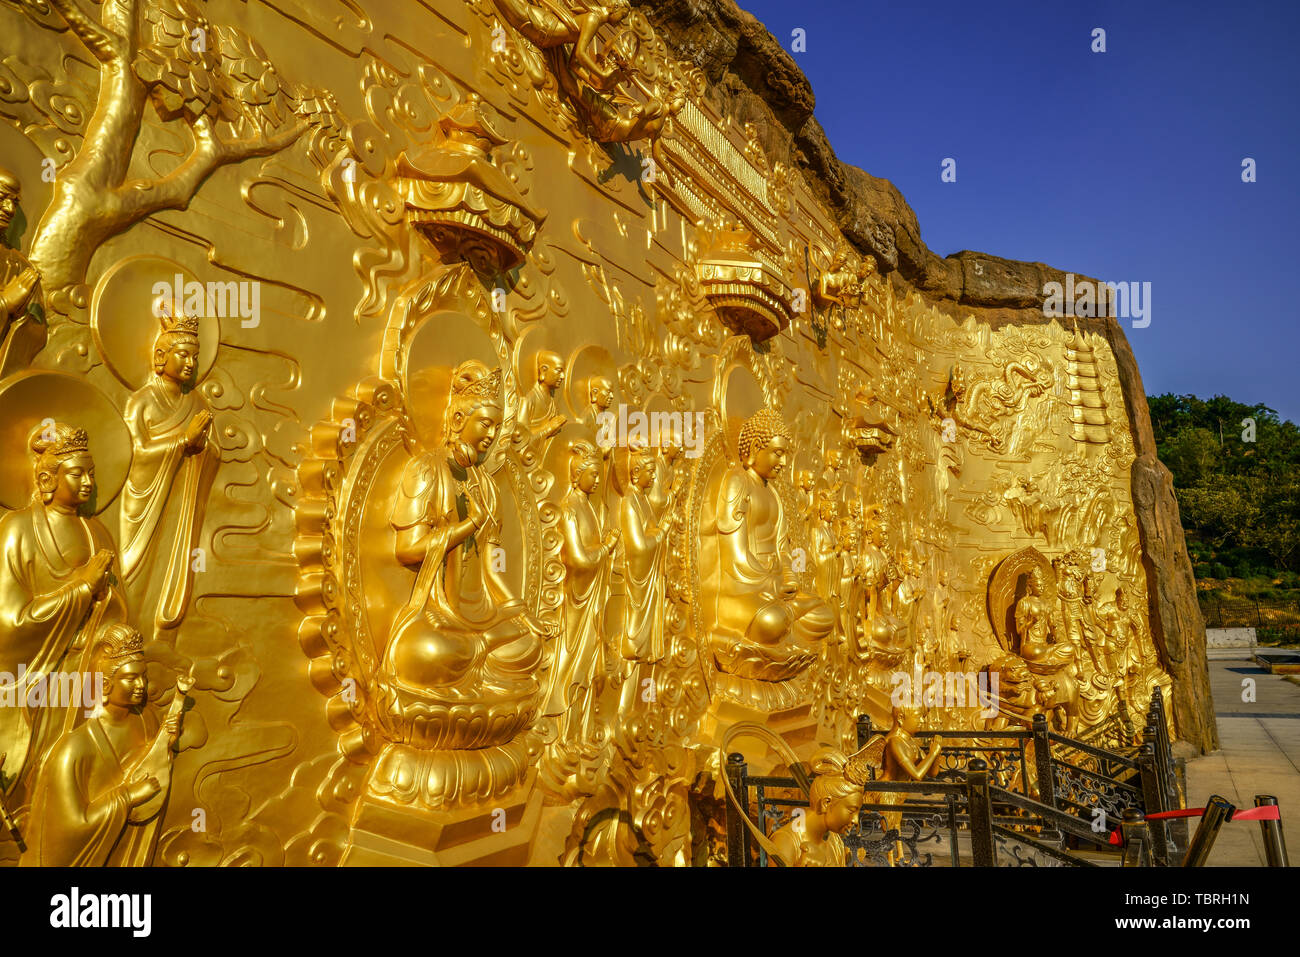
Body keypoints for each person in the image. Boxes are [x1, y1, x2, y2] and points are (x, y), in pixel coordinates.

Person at [20, 623, 192, 867]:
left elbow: (151, 768)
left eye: (142, 675)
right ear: (105, 684)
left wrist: (165, 745)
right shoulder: (74, 749)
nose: (141, 685)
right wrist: (127, 796)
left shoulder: (146, 720)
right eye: (130, 678)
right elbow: (66, 829)